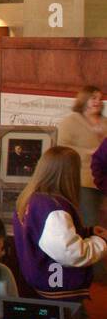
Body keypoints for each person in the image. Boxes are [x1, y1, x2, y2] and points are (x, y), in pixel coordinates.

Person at [13, 146, 106, 305]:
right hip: (59, 294)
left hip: (42, 287)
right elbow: (72, 253)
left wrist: (87, 232)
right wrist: (101, 242)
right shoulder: (52, 208)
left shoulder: (32, 199)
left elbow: (46, 239)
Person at [56, 85, 107, 225]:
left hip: (104, 180)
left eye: (100, 98)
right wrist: (90, 152)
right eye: (93, 98)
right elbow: (62, 148)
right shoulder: (70, 122)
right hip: (83, 181)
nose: (97, 101)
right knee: (90, 220)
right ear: (83, 99)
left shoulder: (105, 122)